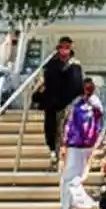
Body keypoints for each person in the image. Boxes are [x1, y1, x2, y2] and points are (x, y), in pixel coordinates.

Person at [59, 78, 105, 209]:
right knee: (70, 180)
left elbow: (97, 120)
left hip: (83, 146)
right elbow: (69, 123)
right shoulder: (79, 104)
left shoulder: (93, 104)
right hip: (78, 145)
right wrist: (64, 144)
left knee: (73, 180)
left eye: (89, 88)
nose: (87, 91)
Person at [39, 37, 85, 171]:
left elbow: (77, 85)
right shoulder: (51, 64)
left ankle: (63, 160)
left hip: (69, 104)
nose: (64, 50)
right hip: (53, 105)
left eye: (67, 47)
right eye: (62, 47)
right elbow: (48, 82)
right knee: (54, 131)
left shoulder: (75, 65)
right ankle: (55, 156)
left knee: (65, 133)